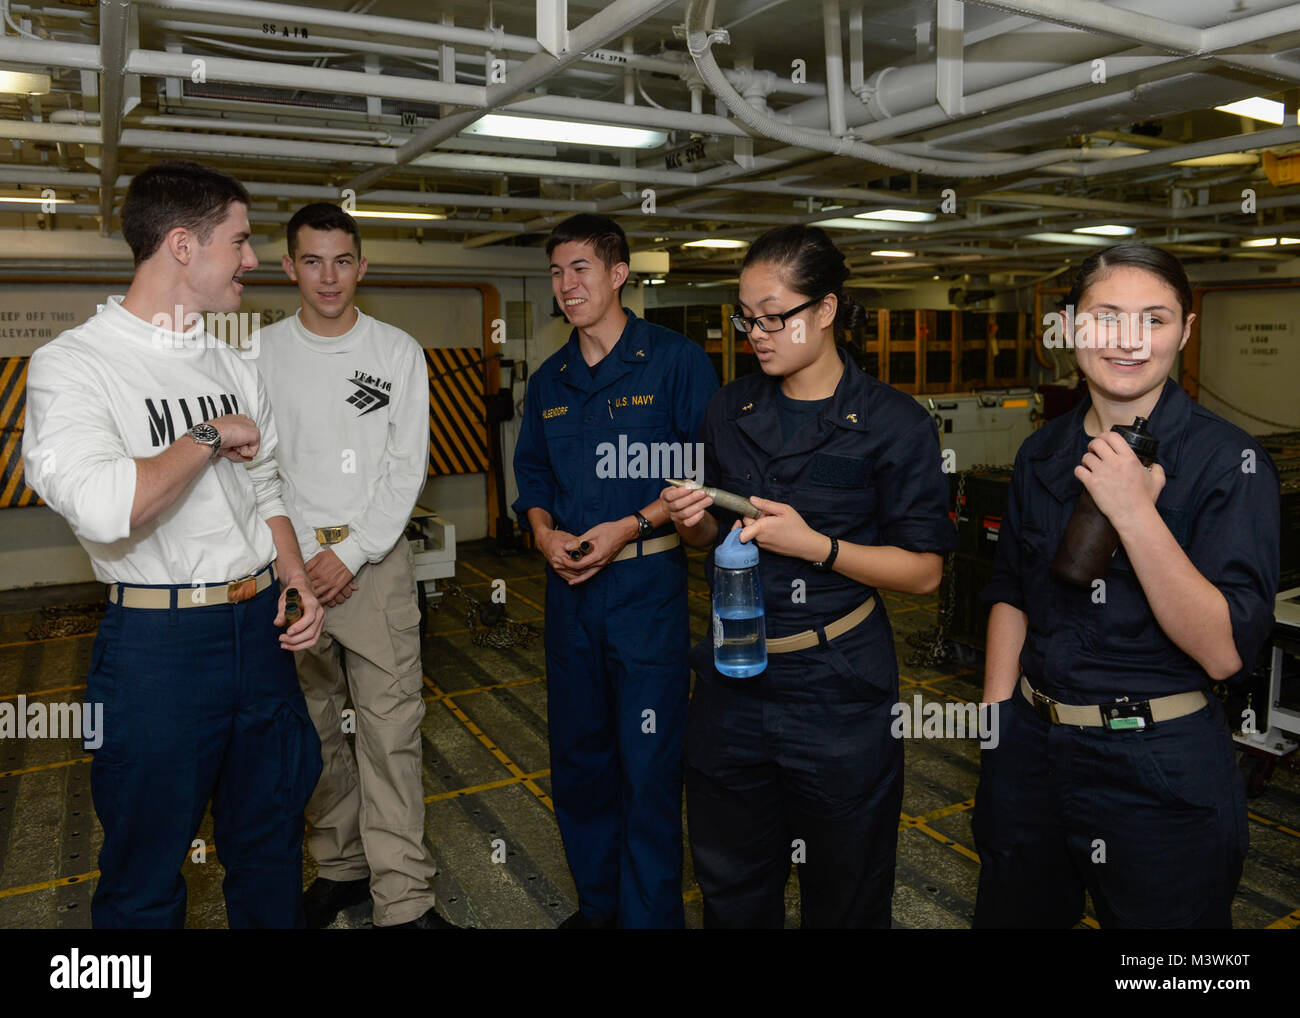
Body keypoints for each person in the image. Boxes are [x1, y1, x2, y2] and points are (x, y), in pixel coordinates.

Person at [20, 159, 326, 928]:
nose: (255, 261)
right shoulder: (75, 366)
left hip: (261, 631)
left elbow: (267, 488)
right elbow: (103, 505)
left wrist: (295, 576)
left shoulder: (233, 358)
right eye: (241, 240)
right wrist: (209, 434)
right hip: (158, 647)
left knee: (270, 847)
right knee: (145, 876)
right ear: (183, 247)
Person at [972, 243, 1280, 929]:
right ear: (1071, 327)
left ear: (1186, 332)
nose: (1130, 341)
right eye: (1107, 316)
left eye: (1156, 319)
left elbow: (1226, 652)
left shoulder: (1229, 462)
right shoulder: (1041, 451)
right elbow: (1010, 593)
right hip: (1031, 750)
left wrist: (1134, 511)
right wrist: (997, 730)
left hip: (1158, 770)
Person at [663, 225, 955, 928]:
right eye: (746, 316)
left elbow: (923, 573)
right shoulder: (728, 410)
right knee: (731, 880)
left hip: (837, 687)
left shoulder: (892, 423)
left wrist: (817, 546)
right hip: (734, 680)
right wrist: (691, 521)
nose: (755, 333)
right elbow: (713, 538)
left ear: (825, 311)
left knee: (846, 887)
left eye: (773, 316)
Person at [512, 213, 717, 929]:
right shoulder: (550, 380)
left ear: (620, 273)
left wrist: (632, 525)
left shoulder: (676, 363)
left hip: (644, 595)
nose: (567, 286)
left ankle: (650, 916)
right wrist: (540, 533)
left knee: (649, 765)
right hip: (569, 595)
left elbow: (702, 475)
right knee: (579, 761)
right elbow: (531, 475)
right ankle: (598, 906)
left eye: (581, 269)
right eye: (558, 272)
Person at [255, 203, 448, 929]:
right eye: (313, 261)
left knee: (390, 730)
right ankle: (341, 867)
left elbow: (408, 468)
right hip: (291, 571)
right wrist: (299, 562)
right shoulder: (260, 355)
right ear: (289, 268)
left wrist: (352, 550)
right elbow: (258, 469)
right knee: (311, 729)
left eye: (343, 261)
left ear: (362, 265)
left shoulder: (396, 350)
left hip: (375, 564)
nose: (329, 277)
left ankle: (404, 899)